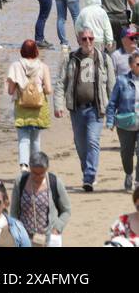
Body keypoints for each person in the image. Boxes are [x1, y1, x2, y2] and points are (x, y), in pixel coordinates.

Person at [54, 27, 115, 192]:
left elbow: (111, 85)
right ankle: (86, 171)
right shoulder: (71, 58)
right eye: (84, 39)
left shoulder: (103, 58)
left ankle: (89, 176)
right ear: (78, 40)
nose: (88, 42)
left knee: (92, 141)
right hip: (76, 110)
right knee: (81, 145)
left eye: (91, 38)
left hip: (96, 109)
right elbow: (61, 83)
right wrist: (58, 105)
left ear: (94, 39)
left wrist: (113, 109)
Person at [6, 39, 53, 171]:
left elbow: (10, 91)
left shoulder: (16, 66)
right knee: (36, 139)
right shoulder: (43, 67)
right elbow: (48, 90)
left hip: (22, 106)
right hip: (38, 107)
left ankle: (24, 165)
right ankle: (36, 164)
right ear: (36, 51)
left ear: (22, 51)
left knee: (23, 139)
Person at [10, 152, 71, 246]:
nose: (37, 177)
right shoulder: (20, 181)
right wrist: (15, 230)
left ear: (47, 169)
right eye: (34, 173)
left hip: (49, 239)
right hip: (24, 238)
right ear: (29, 167)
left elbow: (66, 210)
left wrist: (57, 228)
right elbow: (14, 211)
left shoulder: (55, 182)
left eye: (41, 173)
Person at [106, 49, 139, 191]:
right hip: (125, 123)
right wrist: (110, 120)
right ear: (131, 65)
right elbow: (112, 102)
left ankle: (138, 181)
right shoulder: (121, 81)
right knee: (126, 153)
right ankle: (128, 174)